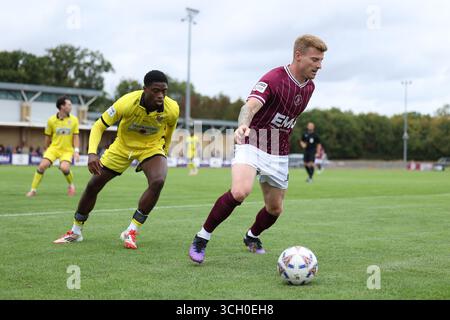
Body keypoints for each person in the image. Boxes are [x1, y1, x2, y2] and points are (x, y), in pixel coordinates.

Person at [188, 34, 327, 264]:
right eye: (315, 59)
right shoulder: (274, 78)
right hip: (253, 141)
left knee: (274, 209)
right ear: (298, 55)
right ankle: (201, 238)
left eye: (321, 61)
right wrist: (243, 124)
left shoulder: (310, 87)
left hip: (279, 150)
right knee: (240, 191)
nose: (319, 66)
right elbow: (250, 106)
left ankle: (252, 236)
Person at [53, 70, 179, 249]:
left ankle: (131, 230)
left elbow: (170, 128)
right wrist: (92, 153)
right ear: (145, 89)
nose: (161, 96)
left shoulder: (172, 108)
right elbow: (98, 126)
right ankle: (76, 231)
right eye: (156, 91)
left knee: (158, 180)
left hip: (151, 147)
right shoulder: (126, 102)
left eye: (164, 91)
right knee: (93, 185)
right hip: (122, 147)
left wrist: (163, 151)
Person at [26, 96, 80, 197]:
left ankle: (71, 186)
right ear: (62, 106)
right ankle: (33, 190)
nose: (71, 106)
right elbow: (47, 137)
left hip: (67, 150)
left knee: (64, 168)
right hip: (54, 148)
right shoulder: (51, 120)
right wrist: (46, 150)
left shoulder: (74, 120)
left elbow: (76, 137)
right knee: (42, 166)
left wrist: (76, 151)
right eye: (69, 104)